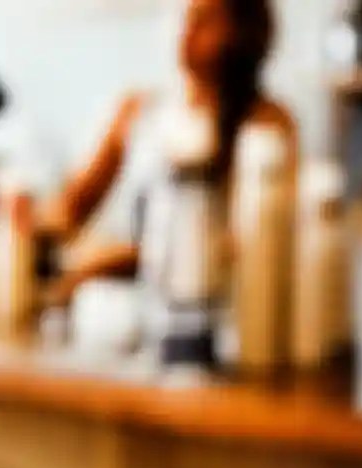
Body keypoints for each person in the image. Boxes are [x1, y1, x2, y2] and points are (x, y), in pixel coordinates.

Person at [40, 0, 298, 305]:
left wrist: (120, 260)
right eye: (182, 16)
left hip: (216, 307)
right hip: (124, 310)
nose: (184, 31)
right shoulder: (138, 111)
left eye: (204, 21)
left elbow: (248, 243)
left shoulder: (265, 123)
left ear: (242, 34)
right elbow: (69, 209)